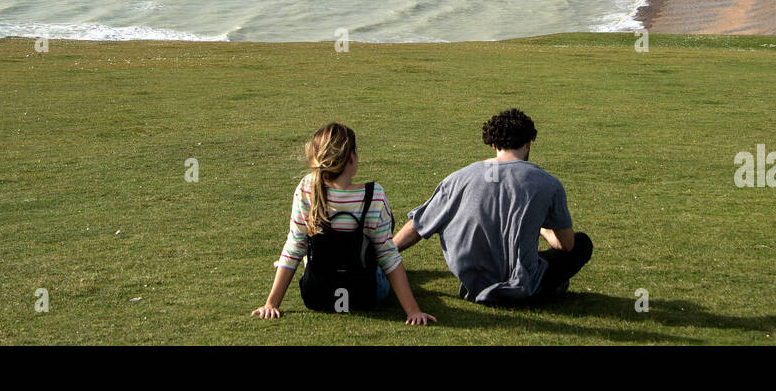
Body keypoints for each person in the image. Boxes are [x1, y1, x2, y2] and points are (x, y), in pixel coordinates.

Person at [393, 108, 592, 305]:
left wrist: (385, 255)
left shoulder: (459, 178)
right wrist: (543, 230)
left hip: (474, 281)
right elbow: (566, 244)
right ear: (528, 143)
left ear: (493, 144)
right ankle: (540, 288)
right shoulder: (548, 183)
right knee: (581, 243)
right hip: (520, 281)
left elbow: (417, 226)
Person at [252, 122, 436, 325]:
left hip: (317, 293)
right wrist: (412, 310)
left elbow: (294, 248)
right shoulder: (374, 195)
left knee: (308, 248)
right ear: (351, 157)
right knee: (381, 260)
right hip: (367, 294)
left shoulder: (306, 188)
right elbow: (388, 256)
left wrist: (272, 303)